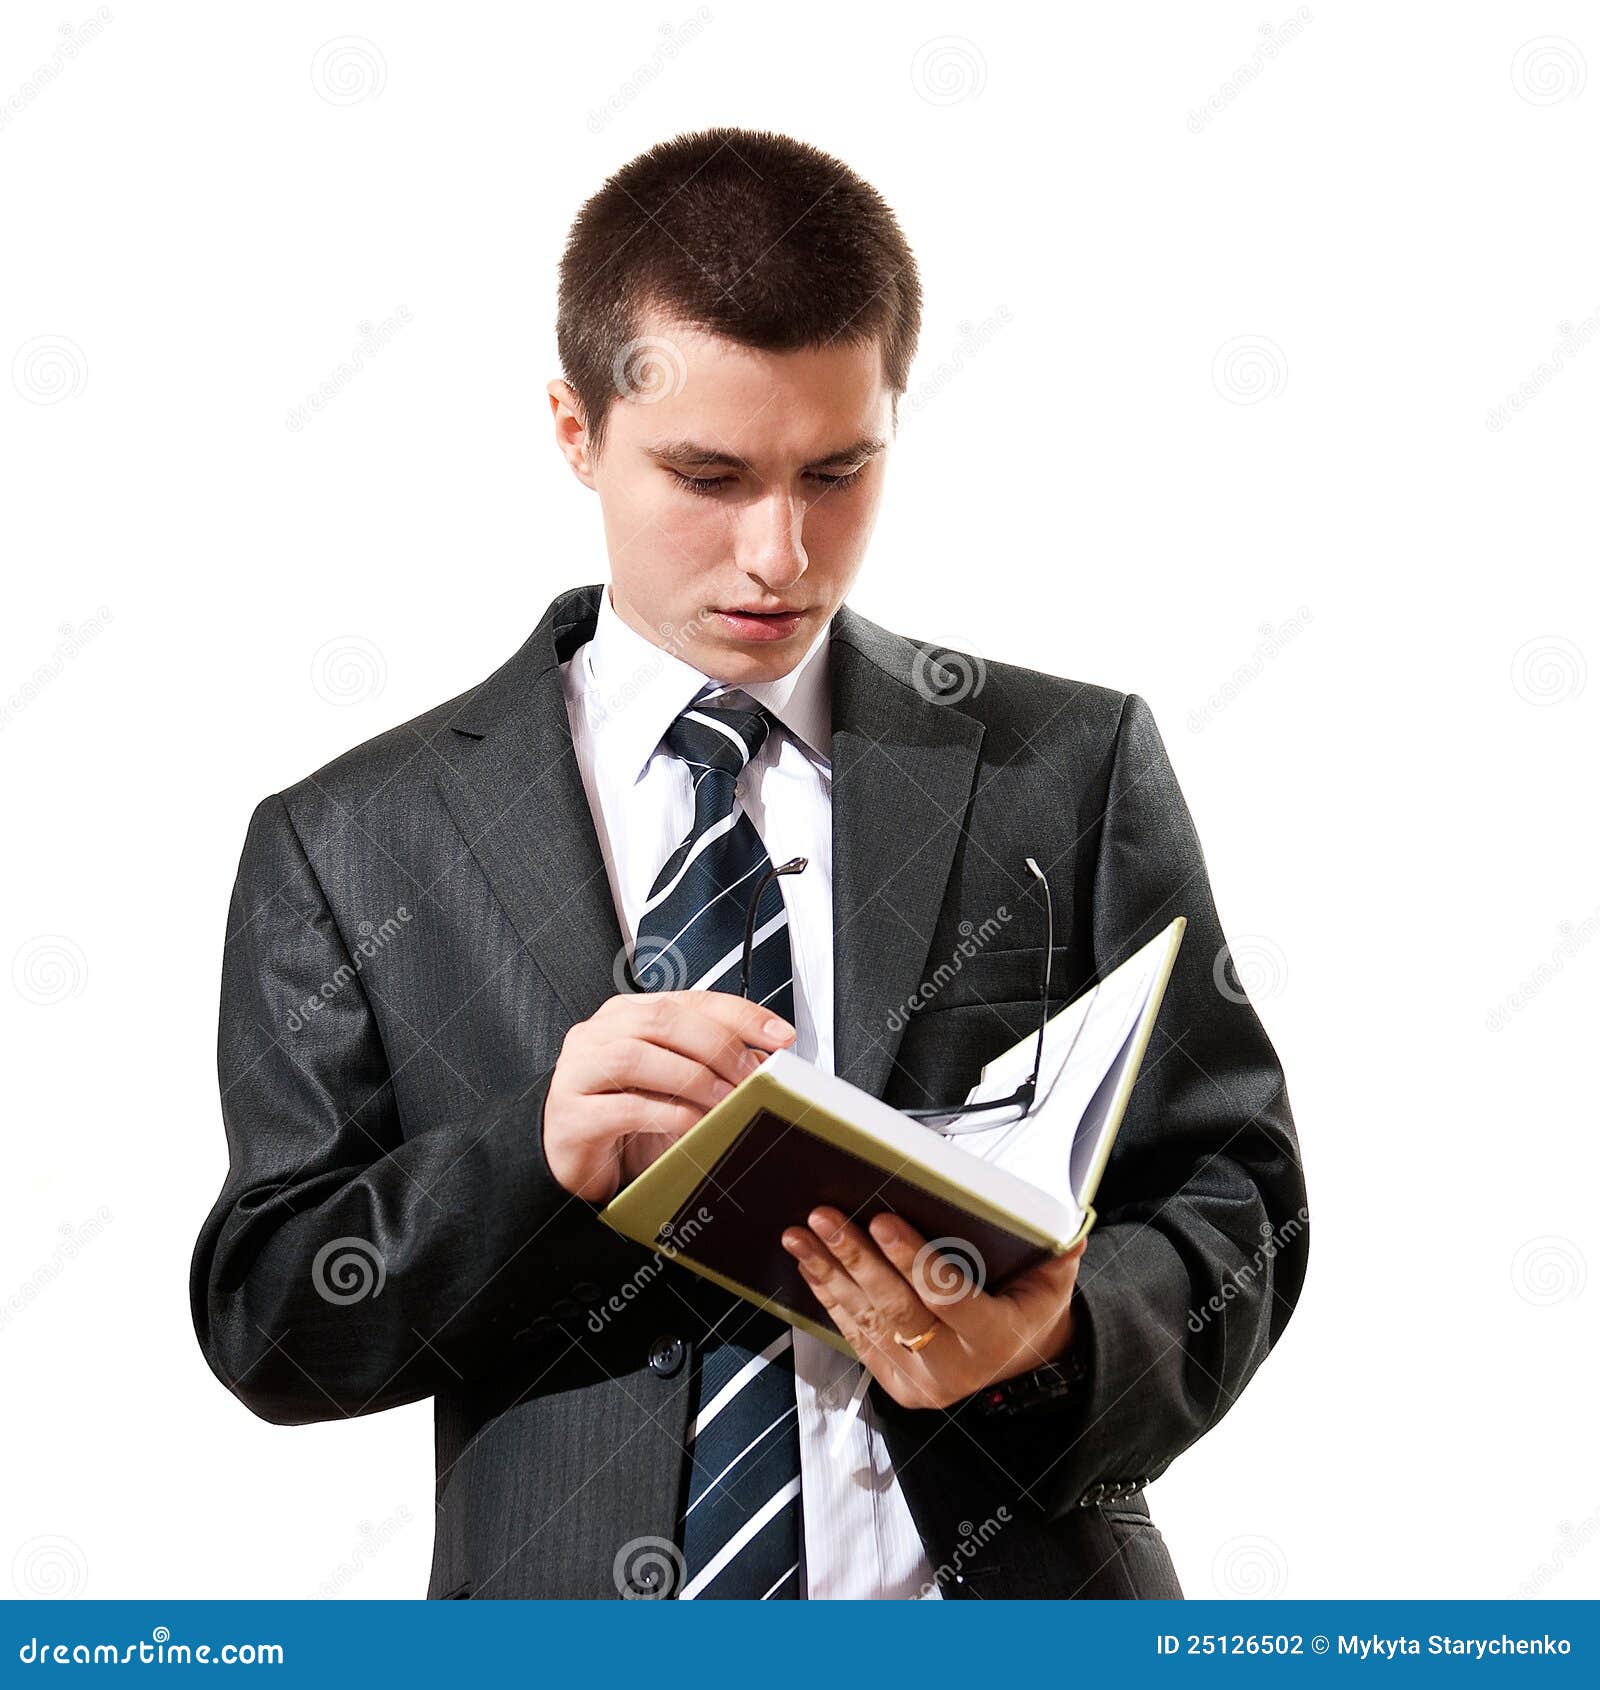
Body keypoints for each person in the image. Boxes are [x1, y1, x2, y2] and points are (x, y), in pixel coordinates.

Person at [190, 126, 1308, 1600]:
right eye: (707, 475)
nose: (781, 555)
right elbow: (274, 1315)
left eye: (838, 471)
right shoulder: (351, 841)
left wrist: (1060, 1331)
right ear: (574, 430)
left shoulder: (1066, 766)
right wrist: (534, 1156)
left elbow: (1242, 1195)